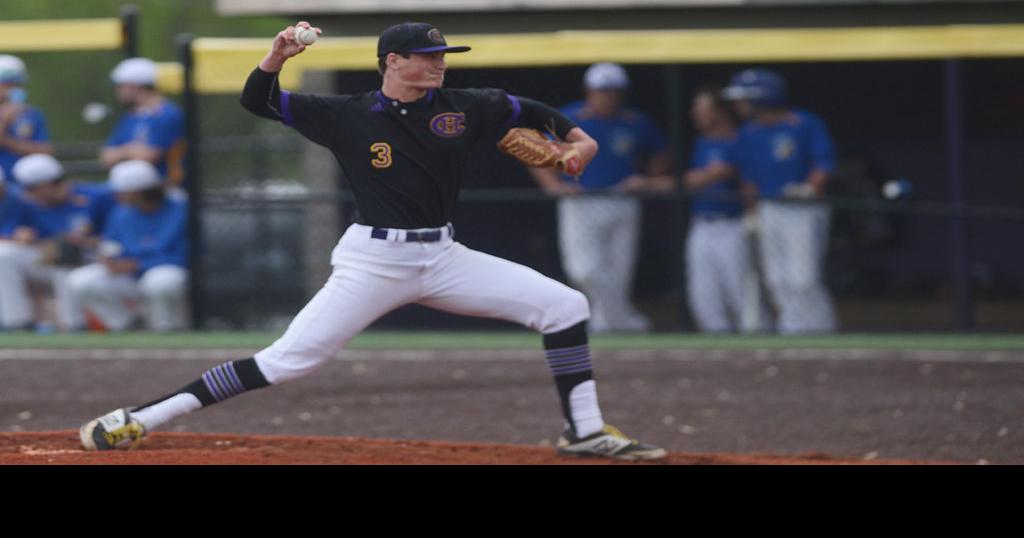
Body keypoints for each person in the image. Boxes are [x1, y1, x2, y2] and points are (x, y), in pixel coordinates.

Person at [79, 21, 666, 461]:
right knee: (287, 361)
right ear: (392, 62)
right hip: (374, 260)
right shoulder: (347, 115)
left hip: (443, 256)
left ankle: (585, 431)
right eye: (427, 56)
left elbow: (536, 111)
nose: (439, 64)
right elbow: (256, 101)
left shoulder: (467, 107)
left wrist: (579, 140)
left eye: (442, 55)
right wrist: (275, 56)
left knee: (565, 305)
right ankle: (145, 417)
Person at [528, 62, 671, 333]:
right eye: (602, 91)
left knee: (620, 269)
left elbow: (660, 151)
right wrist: (554, 185)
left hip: (621, 197)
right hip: (582, 199)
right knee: (583, 269)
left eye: (613, 91)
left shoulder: (634, 121)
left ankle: (605, 325)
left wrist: (647, 179)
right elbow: (536, 151)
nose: (608, 97)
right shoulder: (571, 117)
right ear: (589, 91)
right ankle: (625, 319)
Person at [721, 68, 837, 334]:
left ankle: (820, 330)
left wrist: (810, 188)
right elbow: (748, 177)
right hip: (769, 207)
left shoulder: (805, 123)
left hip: (803, 206)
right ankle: (793, 330)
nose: (738, 104)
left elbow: (824, 163)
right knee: (777, 278)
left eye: (744, 98)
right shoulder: (749, 133)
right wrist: (752, 213)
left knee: (803, 277)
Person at [681, 85, 772, 333]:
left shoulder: (741, 139)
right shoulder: (702, 142)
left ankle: (758, 339)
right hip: (702, 223)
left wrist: (752, 213)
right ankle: (717, 349)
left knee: (741, 290)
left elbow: (747, 181)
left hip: (732, 224)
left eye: (703, 109)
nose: (696, 114)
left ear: (720, 112)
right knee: (703, 293)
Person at [67, 160, 188, 333]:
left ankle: (166, 328)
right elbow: (111, 245)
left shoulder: (181, 209)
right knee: (82, 280)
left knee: (160, 281)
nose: (116, 196)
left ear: (139, 192)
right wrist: (107, 259)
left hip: (169, 272)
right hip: (130, 275)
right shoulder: (121, 212)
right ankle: (126, 325)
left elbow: (189, 254)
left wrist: (140, 264)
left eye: (121, 192)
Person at [0, 154, 114, 331]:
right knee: (5, 253)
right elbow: (8, 235)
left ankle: (73, 325)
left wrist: (86, 242)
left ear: (47, 185)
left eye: (31, 188)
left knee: (65, 254)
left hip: (87, 259)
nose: (26, 193)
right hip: (43, 257)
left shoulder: (96, 197)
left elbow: (115, 235)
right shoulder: (25, 202)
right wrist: (20, 237)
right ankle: (17, 323)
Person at [100, 57, 186, 192]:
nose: (118, 92)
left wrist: (123, 152)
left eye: (120, 86)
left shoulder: (168, 115)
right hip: (128, 190)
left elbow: (150, 156)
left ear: (134, 86)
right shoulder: (130, 116)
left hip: (163, 191)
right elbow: (106, 157)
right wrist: (132, 150)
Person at [0, 55, 53, 181]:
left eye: (18, 84)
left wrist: (7, 141)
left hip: (28, 185)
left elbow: (45, 151)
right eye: (8, 84)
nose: (14, 89)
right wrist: (4, 121)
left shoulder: (31, 113)